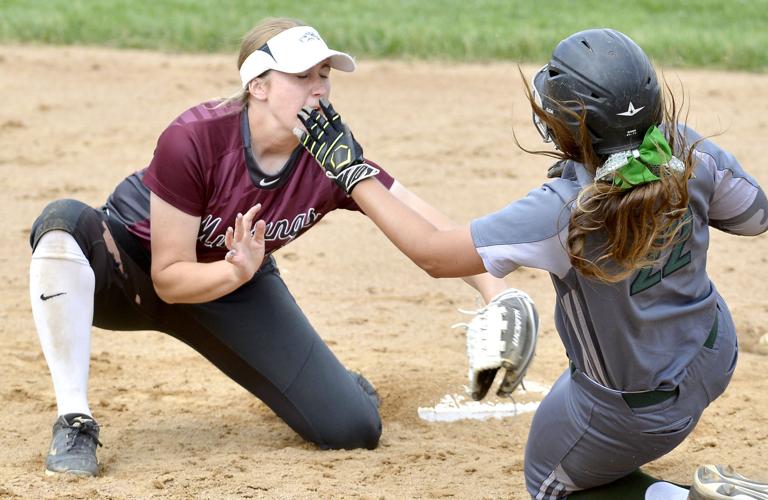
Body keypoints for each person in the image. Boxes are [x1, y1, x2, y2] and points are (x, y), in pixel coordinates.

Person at [295, 29, 768, 499]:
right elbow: (754, 217)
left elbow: (434, 254)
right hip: (712, 352)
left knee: (548, 481)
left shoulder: (562, 210)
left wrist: (351, 172)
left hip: (638, 410)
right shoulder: (685, 149)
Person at [28, 17, 511, 476]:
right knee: (61, 221)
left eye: (324, 73)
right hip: (129, 269)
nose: (319, 86)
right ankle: (75, 423)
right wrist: (234, 272)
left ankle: (333, 385)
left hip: (237, 283)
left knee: (353, 427)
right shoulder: (193, 137)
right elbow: (169, 278)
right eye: (302, 75)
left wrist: (496, 292)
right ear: (258, 85)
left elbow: (424, 221)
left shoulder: (332, 156)